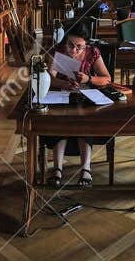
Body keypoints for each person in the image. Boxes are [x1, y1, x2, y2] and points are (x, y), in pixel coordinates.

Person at [44, 28, 112, 187]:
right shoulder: (58, 50)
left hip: (85, 97)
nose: (73, 50)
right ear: (65, 41)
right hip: (61, 96)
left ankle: (86, 169)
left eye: (79, 46)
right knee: (58, 121)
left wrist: (88, 79)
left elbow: (107, 79)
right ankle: (57, 169)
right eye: (70, 45)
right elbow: (48, 78)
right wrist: (64, 84)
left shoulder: (92, 52)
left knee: (85, 121)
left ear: (86, 45)